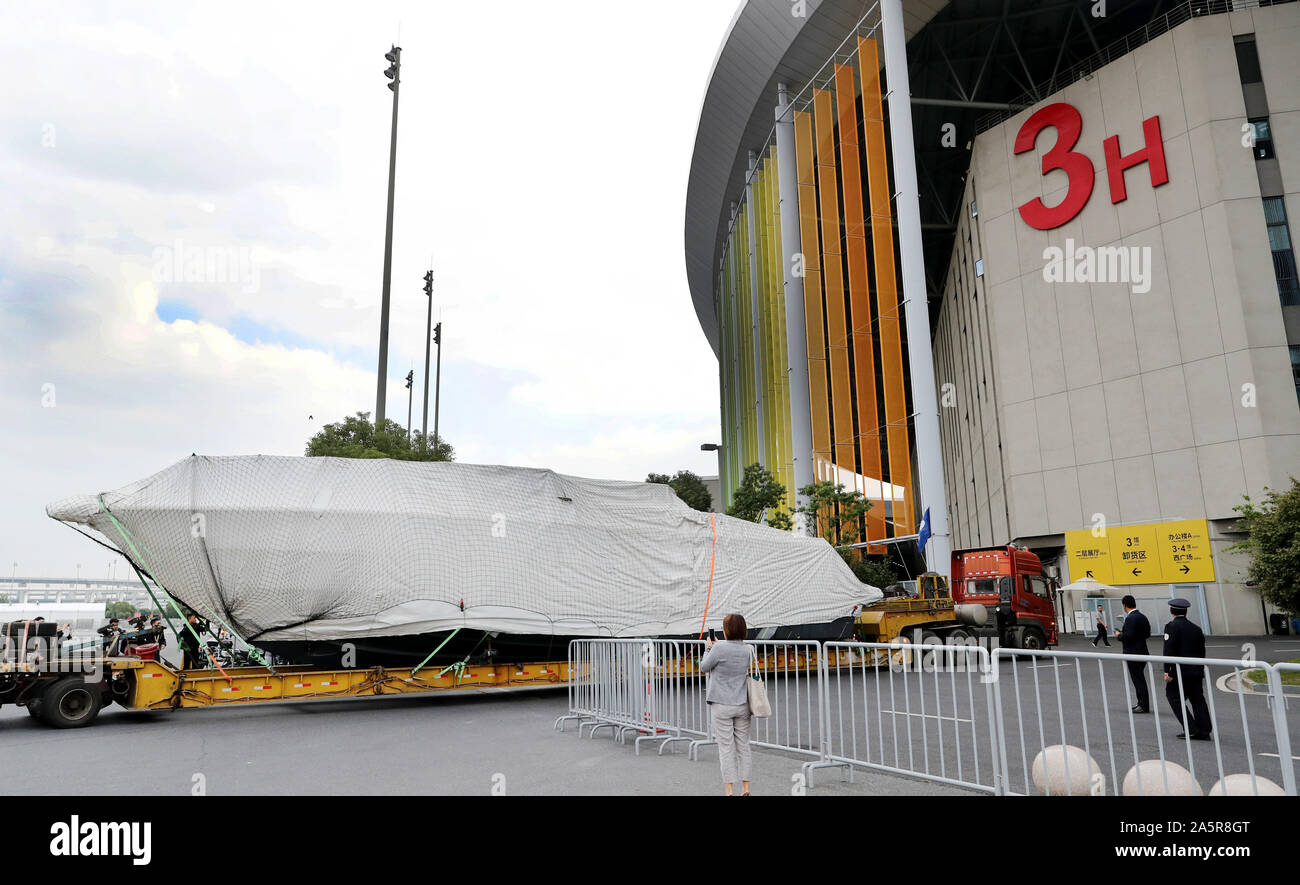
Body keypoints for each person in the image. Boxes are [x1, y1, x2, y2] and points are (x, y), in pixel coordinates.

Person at [700, 613, 753, 797]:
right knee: (743, 746)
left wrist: (708, 648)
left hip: (722, 704)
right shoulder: (748, 649)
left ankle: (729, 790)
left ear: (727, 630)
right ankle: (746, 787)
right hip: (742, 703)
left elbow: (704, 667)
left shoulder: (719, 648)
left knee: (726, 747)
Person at [1162, 598, 1212, 741]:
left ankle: (1190, 728)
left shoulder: (1171, 627)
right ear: (1186, 611)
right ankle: (1204, 729)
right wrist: (1200, 669)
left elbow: (1169, 650)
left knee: (1173, 697)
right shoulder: (1196, 628)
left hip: (1179, 671)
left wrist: (1168, 671)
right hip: (1195, 671)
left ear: (1171, 611)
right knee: (1197, 699)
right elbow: (1202, 651)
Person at [1115, 595, 1152, 713]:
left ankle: (1143, 704)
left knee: (1138, 680)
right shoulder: (1142, 617)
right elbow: (1147, 634)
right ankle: (1141, 703)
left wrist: (1119, 635)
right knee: (1139, 678)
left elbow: (1128, 636)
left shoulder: (1130, 618)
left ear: (1124, 605)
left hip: (1132, 652)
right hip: (1142, 651)